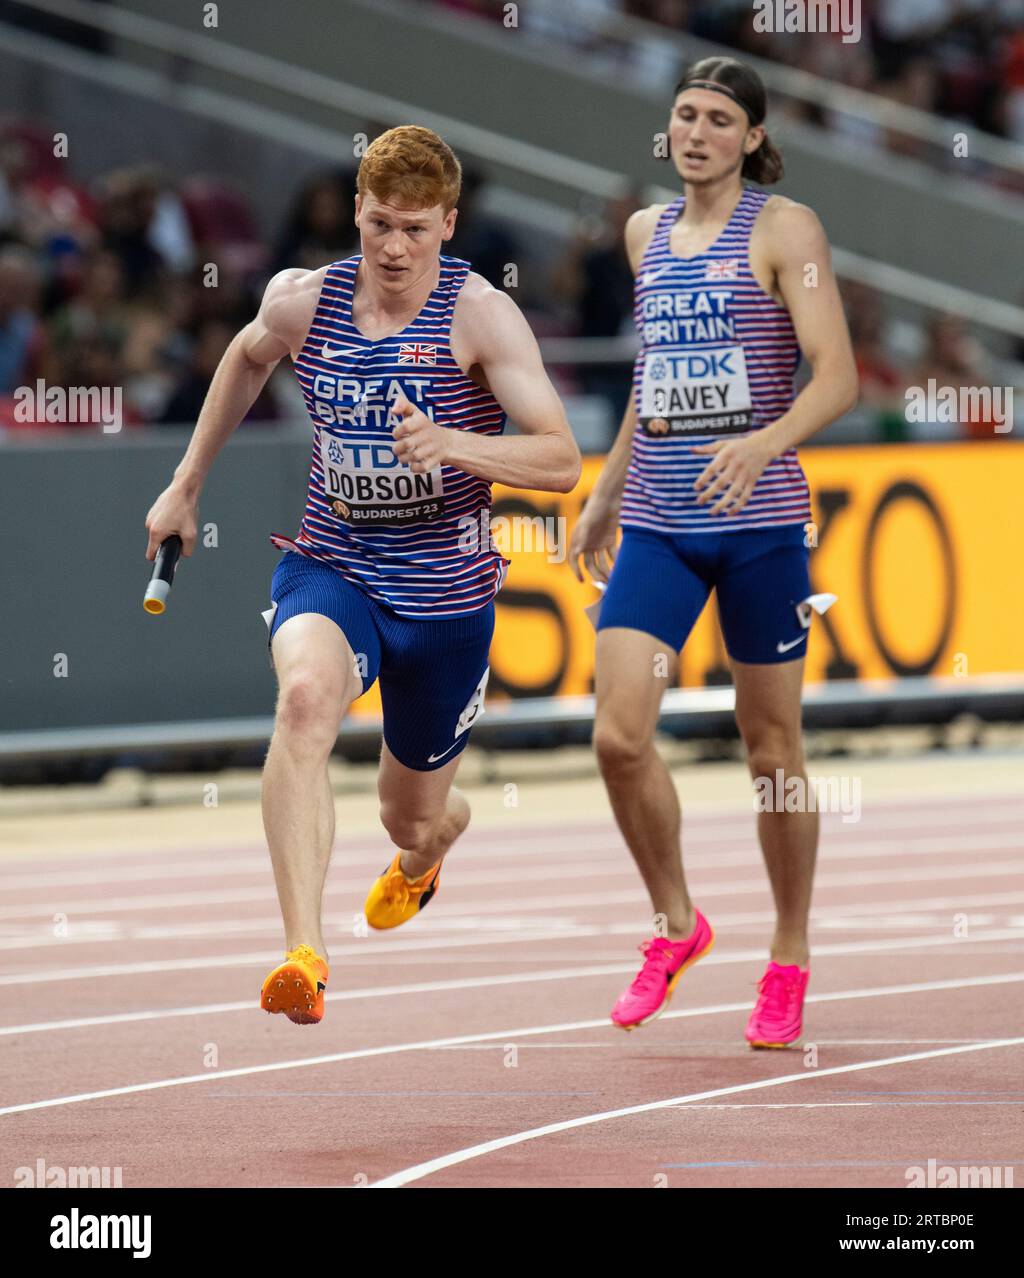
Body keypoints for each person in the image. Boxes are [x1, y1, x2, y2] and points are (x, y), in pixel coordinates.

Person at [145, 125, 580, 1025]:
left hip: (448, 598)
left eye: (416, 230)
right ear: (354, 211)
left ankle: (433, 847)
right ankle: (304, 954)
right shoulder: (306, 299)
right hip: (333, 560)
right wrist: (185, 486)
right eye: (379, 222)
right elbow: (246, 356)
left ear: (449, 225)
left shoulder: (481, 316)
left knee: (408, 819)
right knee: (304, 700)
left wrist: (452, 442)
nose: (392, 247)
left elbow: (562, 459)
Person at [569, 57, 858, 1048]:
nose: (695, 131)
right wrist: (603, 491)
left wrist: (762, 440)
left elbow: (837, 377)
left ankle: (787, 954)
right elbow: (656, 382)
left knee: (771, 750)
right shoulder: (646, 233)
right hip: (656, 518)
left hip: (760, 525)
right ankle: (676, 923)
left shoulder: (785, 230)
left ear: (750, 138)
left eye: (718, 119)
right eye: (684, 114)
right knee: (617, 737)